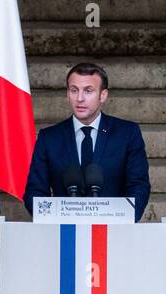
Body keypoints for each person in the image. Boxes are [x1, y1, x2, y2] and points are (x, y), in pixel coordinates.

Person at [22, 61, 151, 221]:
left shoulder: (127, 133)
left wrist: (124, 220)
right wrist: (51, 221)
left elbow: (138, 185)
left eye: (88, 91)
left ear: (102, 95)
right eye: (74, 90)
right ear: (67, 93)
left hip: (113, 233)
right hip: (63, 235)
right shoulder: (49, 138)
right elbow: (35, 191)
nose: (80, 98)